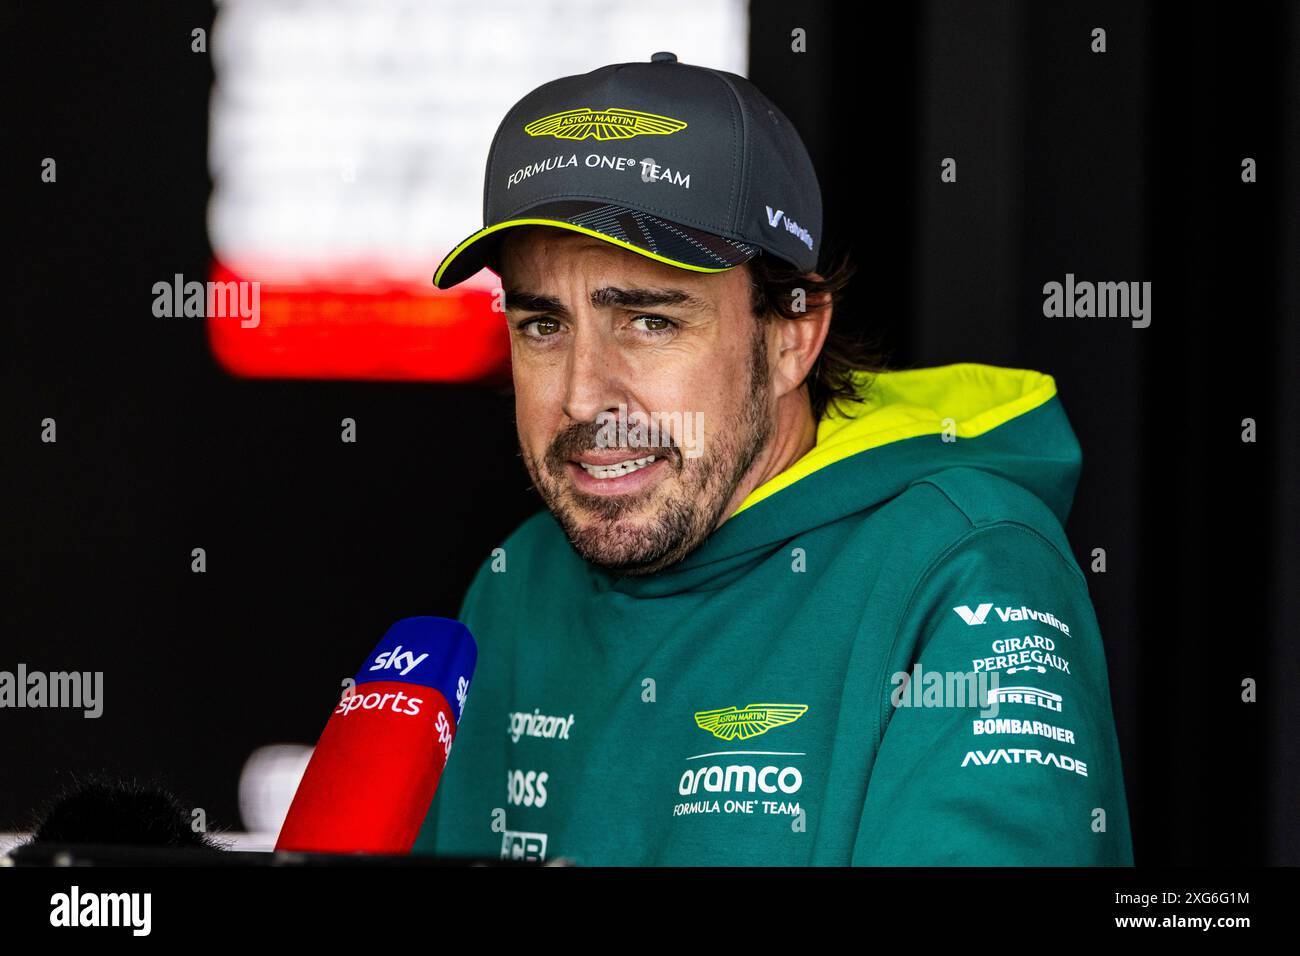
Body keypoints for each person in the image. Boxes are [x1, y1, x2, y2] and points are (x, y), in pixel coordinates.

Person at [413, 53, 1133, 865]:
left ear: (793, 335)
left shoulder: (969, 571)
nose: (583, 398)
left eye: (650, 321)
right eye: (543, 325)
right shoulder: (518, 581)